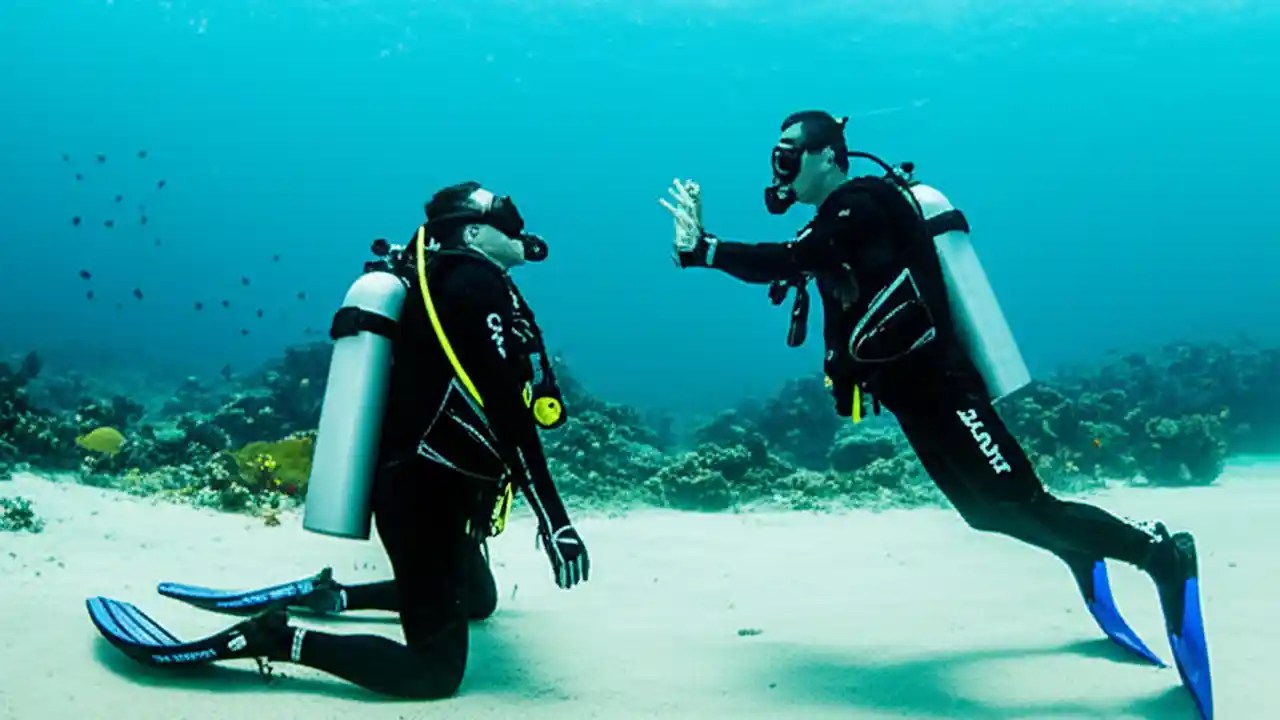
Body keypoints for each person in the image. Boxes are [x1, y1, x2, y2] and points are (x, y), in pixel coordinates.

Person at [659, 110, 1211, 719]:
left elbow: (793, 257)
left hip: (945, 388)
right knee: (983, 512)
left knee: (1021, 501)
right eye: (775, 152)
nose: (779, 163)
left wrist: (705, 250)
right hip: (911, 397)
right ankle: (1075, 546)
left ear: (827, 155)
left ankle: (1160, 553)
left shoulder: (860, 201)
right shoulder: (834, 221)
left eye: (789, 150)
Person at [86, 182, 590, 700]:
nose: (521, 231)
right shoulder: (471, 285)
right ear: (474, 231)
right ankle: (279, 638)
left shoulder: (458, 281)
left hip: (436, 484)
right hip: (424, 495)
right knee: (432, 673)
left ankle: (335, 595)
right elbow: (509, 412)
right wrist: (556, 521)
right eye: (509, 222)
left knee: (478, 596)